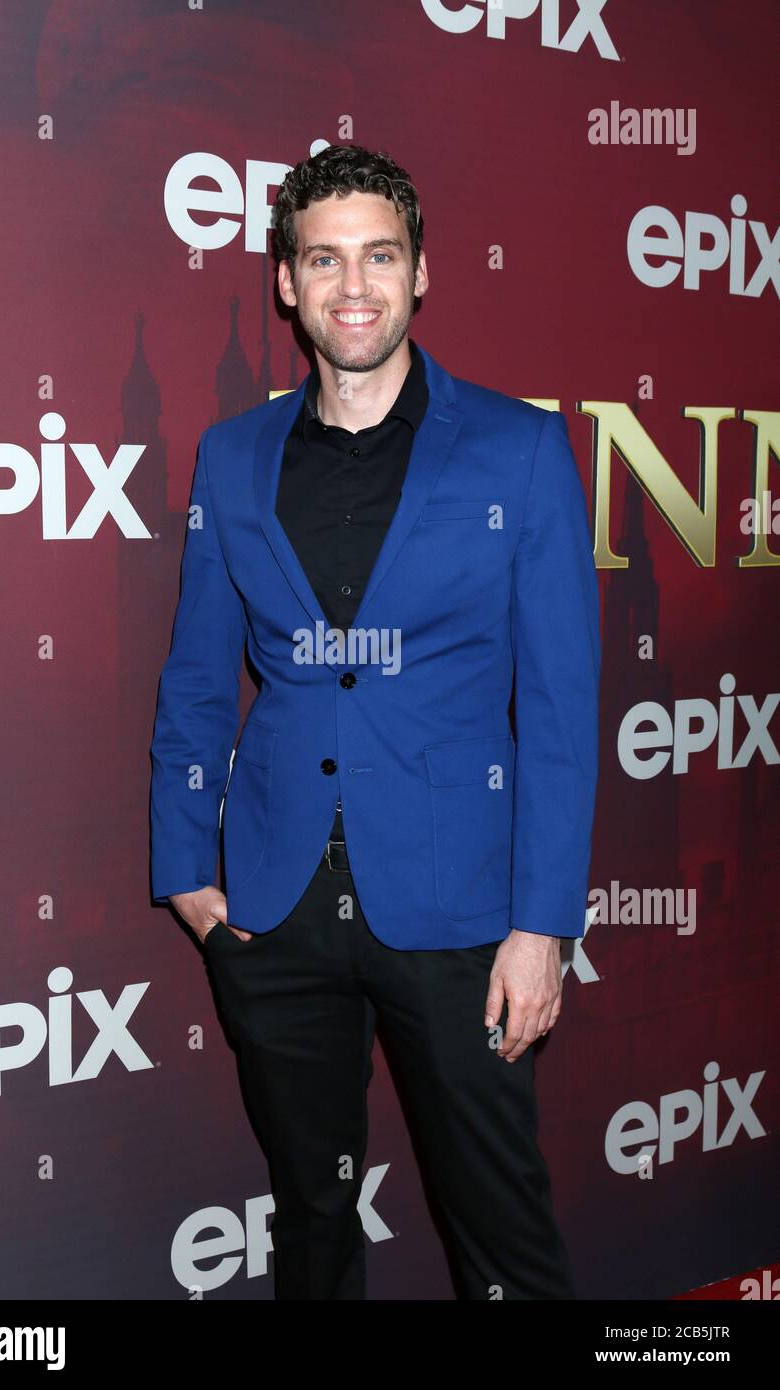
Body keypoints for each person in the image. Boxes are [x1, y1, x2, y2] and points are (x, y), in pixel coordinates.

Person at [149, 143, 600, 1300]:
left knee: (500, 1236)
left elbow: (557, 711)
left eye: (379, 257)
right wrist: (185, 867)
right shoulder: (231, 457)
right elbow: (198, 676)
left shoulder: (518, 448)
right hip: (273, 906)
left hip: (460, 912)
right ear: (286, 286)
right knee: (311, 1221)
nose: (355, 286)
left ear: (420, 273)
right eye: (324, 259)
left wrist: (542, 925)